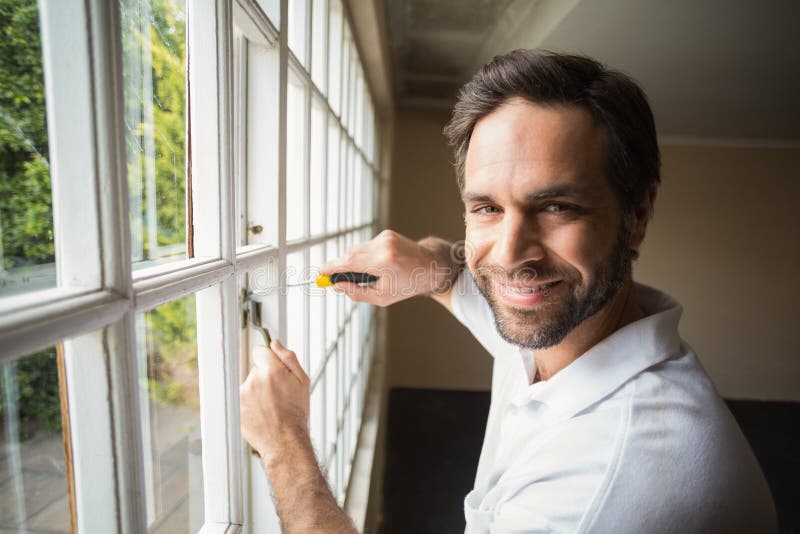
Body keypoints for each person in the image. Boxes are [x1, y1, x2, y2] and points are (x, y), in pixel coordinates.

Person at [239, 50, 777, 533]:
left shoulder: (608, 487)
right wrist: (429, 263)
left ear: (636, 215)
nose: (511, 253)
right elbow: (458, 278)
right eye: (487, 208)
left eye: (556, 207)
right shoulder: (558, 328)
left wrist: (285, 445)